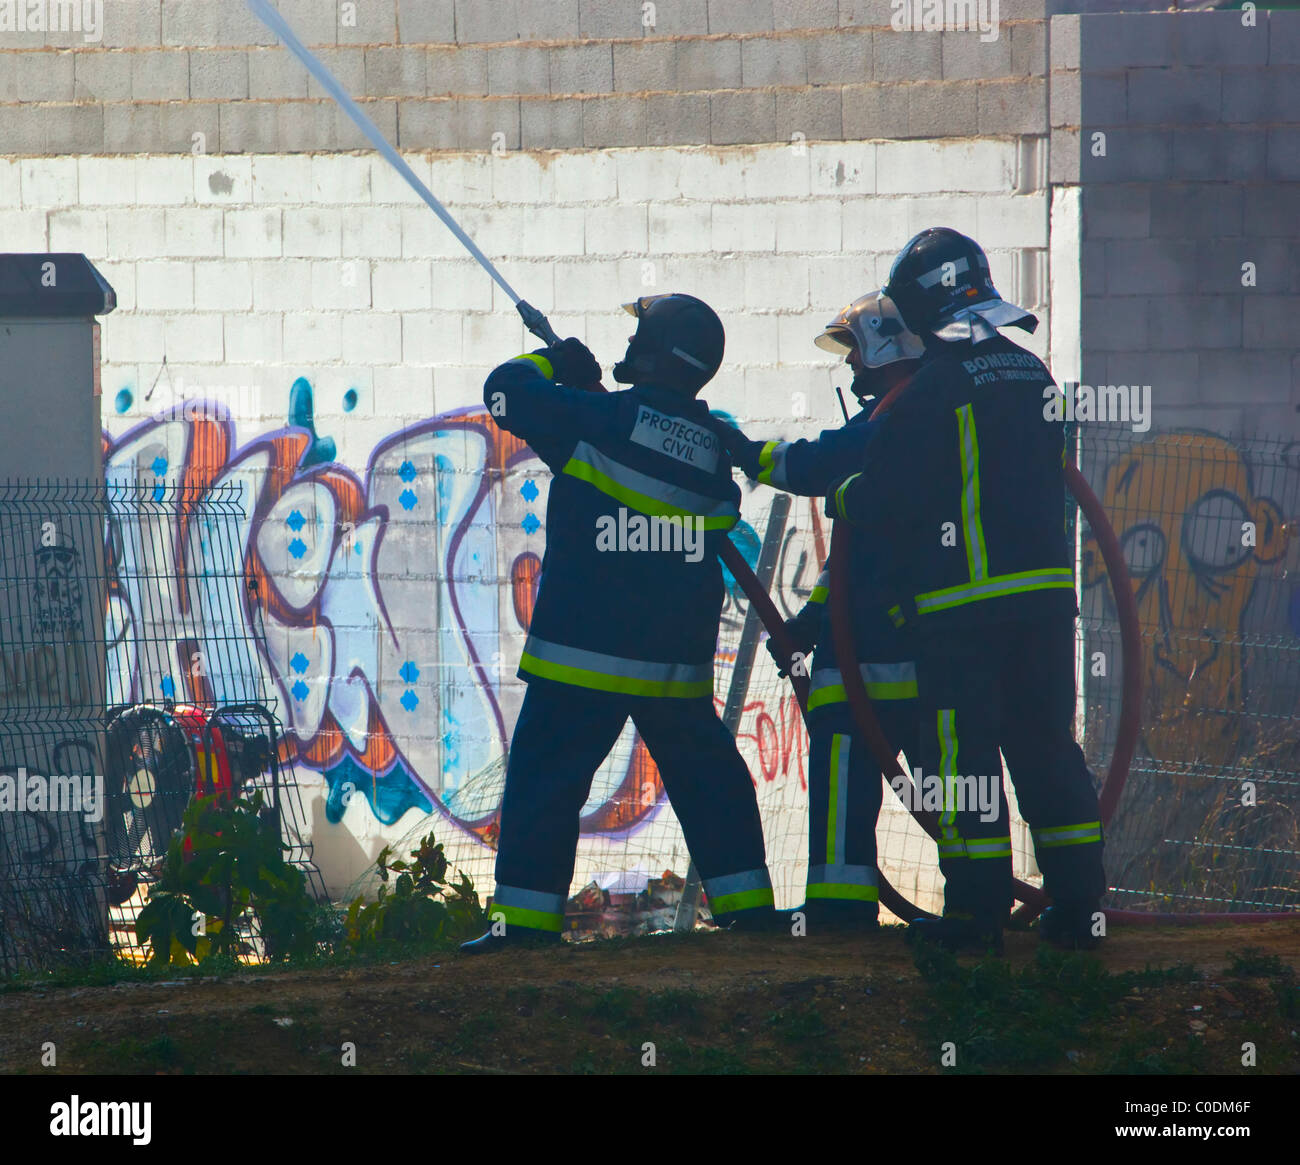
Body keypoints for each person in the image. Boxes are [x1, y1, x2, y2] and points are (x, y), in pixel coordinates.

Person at [461, 293, 779, 953]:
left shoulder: (597, 418)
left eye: (640, 335)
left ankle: (524, 927)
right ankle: (749, 911)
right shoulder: (712, 450)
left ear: (657, 353)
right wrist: (594, 404)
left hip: (582, 653)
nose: (627, 343)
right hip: (672, 663)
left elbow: (504, 392)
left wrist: (555, 360)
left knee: (546, 780)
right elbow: (663, 465)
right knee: (709, 776)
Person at [825, 228, 1106, 952]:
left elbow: (888, 496)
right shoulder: (1032, 372)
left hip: (963, 615)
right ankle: (1078, 909)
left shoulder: (933, 390)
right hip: (1045, 607)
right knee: (1047, 748)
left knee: (962, 763)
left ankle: (976, 917)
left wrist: (846, 496)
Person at [722, 292, 925, 931]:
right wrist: (809, 622)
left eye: (859, 357)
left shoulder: (897, 425)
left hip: (869, 659)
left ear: (889, 352)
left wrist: (738, 449)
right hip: (919, 656)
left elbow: (810, 464)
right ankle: (972, 905)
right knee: (949, 783)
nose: (853, 373)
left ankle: (839, 916)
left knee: (848, 777)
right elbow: (852, 559)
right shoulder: (928, 421)